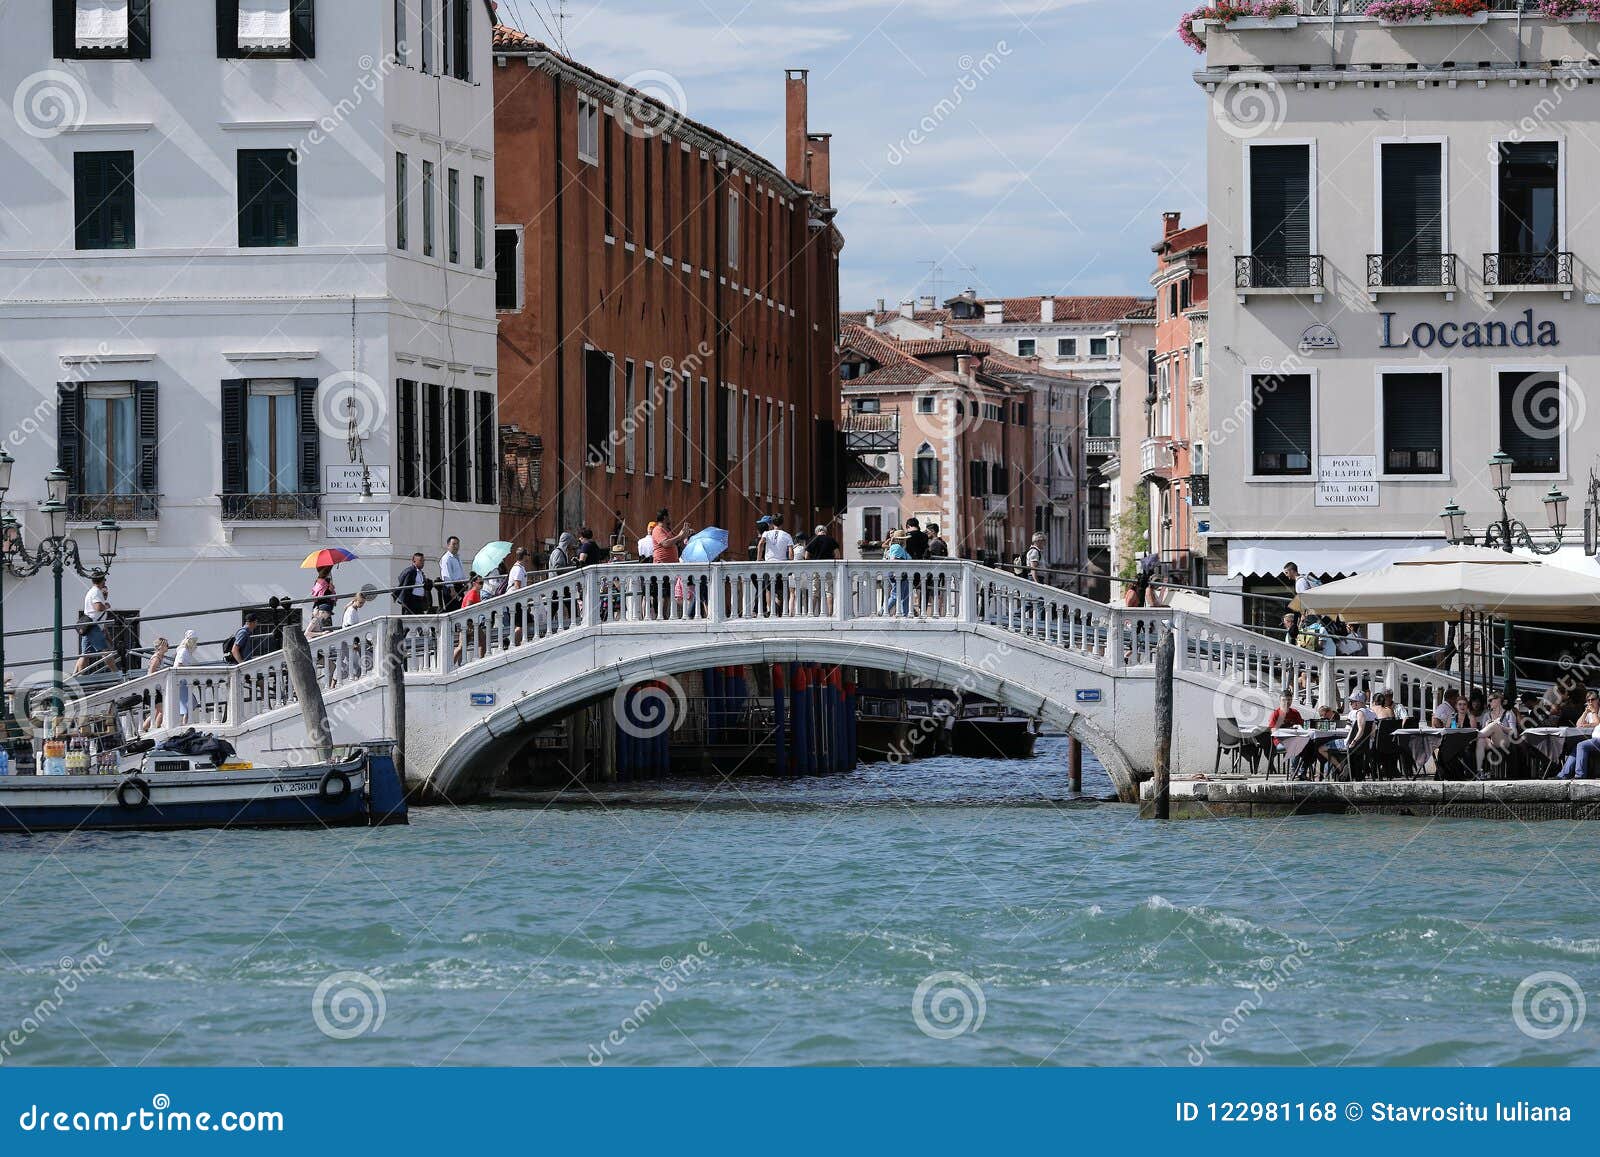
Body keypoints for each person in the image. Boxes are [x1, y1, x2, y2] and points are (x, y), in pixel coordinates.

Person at [75, 574, 112, 675]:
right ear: (102, 581)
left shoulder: (93, 591)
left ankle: (77, 676)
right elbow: (98, 607)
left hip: (90, 626)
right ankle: (117, 674)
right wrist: (106, 606)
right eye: (104, 580)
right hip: (93, 626)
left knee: (85, 654)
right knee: (105, 651)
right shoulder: (96, 592)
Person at [1476, 691, 1520, 775]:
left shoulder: (1508, 713)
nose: (1489, 703)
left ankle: (1474, 735)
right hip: (1490, 741)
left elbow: (1514, 733)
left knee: (1494, 725)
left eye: (1491, 700)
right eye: (1488, 701)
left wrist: (1501, 727)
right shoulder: (1486, 715)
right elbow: (1485, 733)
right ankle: (1480, 772)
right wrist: (1486, 726)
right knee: (1481, 740)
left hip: (1505, 741)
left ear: (1498, 700)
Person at [439, 536, 467, 611]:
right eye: (454, 544)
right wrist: (452, 590)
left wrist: (464, 582)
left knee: (461, 609)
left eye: (457, 544)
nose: (456, 546)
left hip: (459, 586)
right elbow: (446, 575)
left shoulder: (457, 557)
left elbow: (460, 572)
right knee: (453, 610)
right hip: (451, 588)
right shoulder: (446, 558)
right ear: (448, 545)